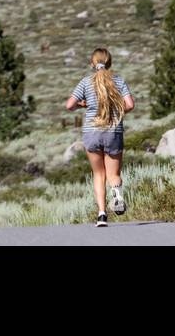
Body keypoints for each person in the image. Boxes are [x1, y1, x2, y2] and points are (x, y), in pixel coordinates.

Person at [65, 47, 134, 227]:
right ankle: (117, 195)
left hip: (91, 132)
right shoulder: (118, 80)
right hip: (113, 132)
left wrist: (82, 105)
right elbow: (130, 105)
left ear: (92, 63)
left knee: (98, 174)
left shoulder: (86, 82)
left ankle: (102, 214)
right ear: (109, 62)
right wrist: (115, 110)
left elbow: (69, 105)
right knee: (113, 174)